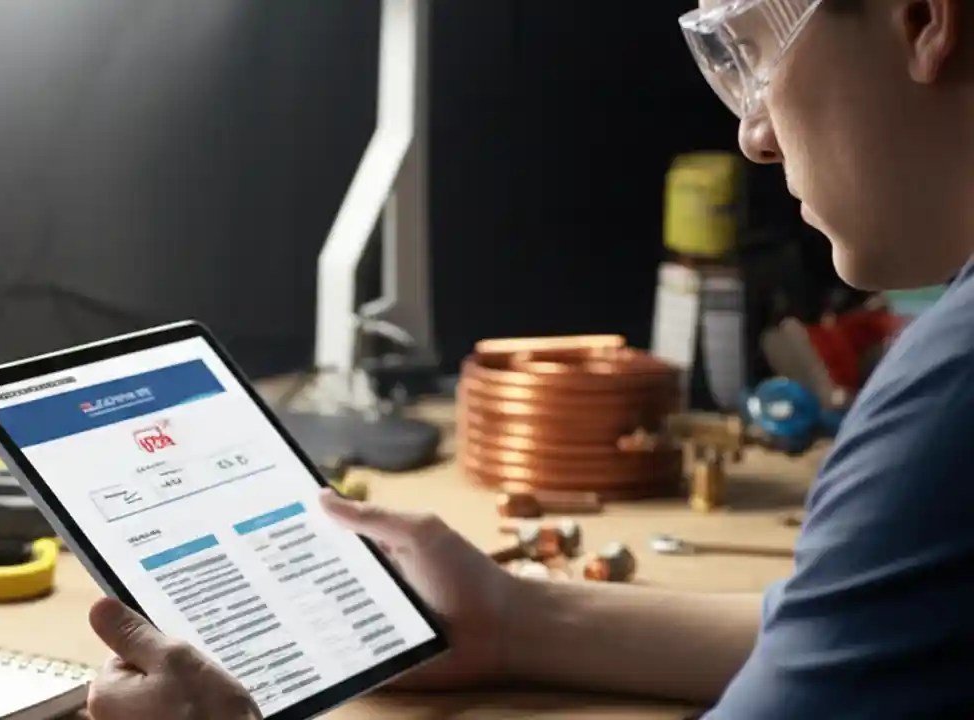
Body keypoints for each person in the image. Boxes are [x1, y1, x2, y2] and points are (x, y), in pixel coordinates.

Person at [84, 0, 974, 716]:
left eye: (754, 51)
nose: (756, 135)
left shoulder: (950, 394)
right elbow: (862, 629)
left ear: (924, 19)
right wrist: (516, 618)